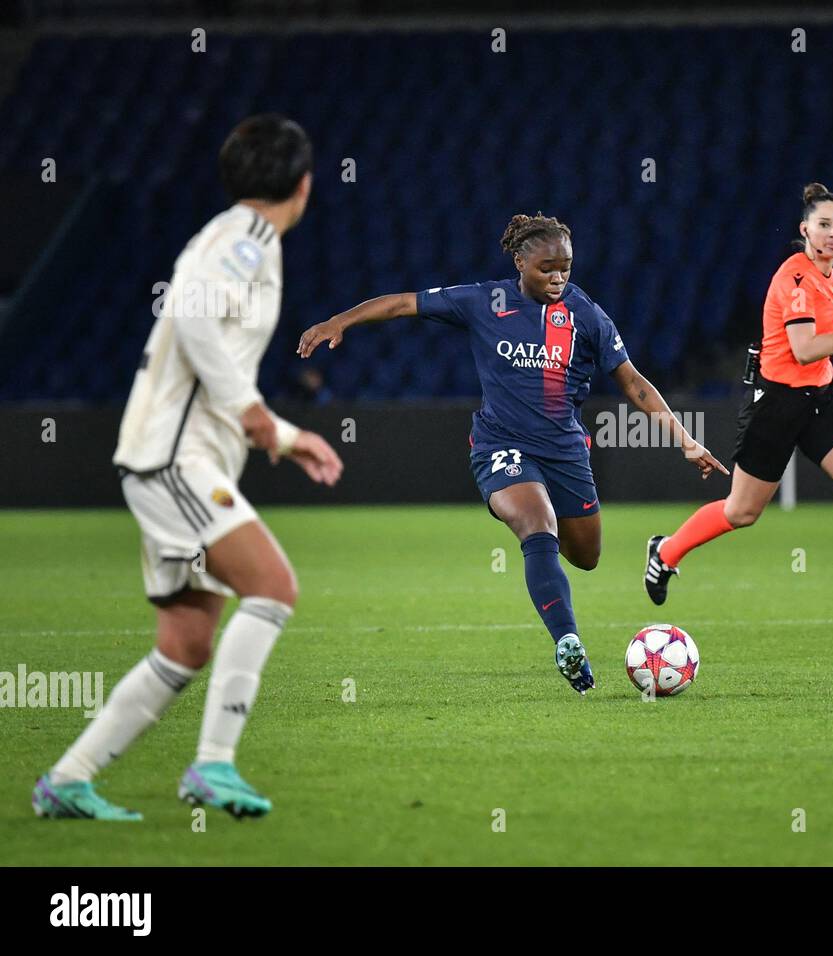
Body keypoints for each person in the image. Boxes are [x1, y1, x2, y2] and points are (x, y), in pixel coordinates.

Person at [33, 114, 343, 821]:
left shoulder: (232, 236)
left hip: (174, 455)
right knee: (272, 586)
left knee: (186, 642)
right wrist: (259, 416)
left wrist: (286, 435)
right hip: (176, 457)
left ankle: (67, 780)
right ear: (303, 184)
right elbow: (196, 317)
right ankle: (213, 765)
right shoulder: (246, 239)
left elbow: (209, 339)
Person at [298, 212, 726, 694]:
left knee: (586, 556)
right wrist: (341, 321)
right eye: (547, 267)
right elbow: (401, 304)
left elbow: (632, 382)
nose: (558, 277)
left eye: (566, 266)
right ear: (520, 262)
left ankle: (558, 572)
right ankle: (568, 641)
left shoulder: (586, 315)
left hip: (565, 450)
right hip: (500, 444)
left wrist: (684, 439)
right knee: (537, 525)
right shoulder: (485, 300)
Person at [643, 183, 833, 627]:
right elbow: (802, 349)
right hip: (776, 404)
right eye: (824, 225)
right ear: (805, 229)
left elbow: (814, 359)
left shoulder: (831, 278)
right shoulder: (796, 277)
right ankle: (665, 552)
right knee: (741, 511)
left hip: (820, 398)